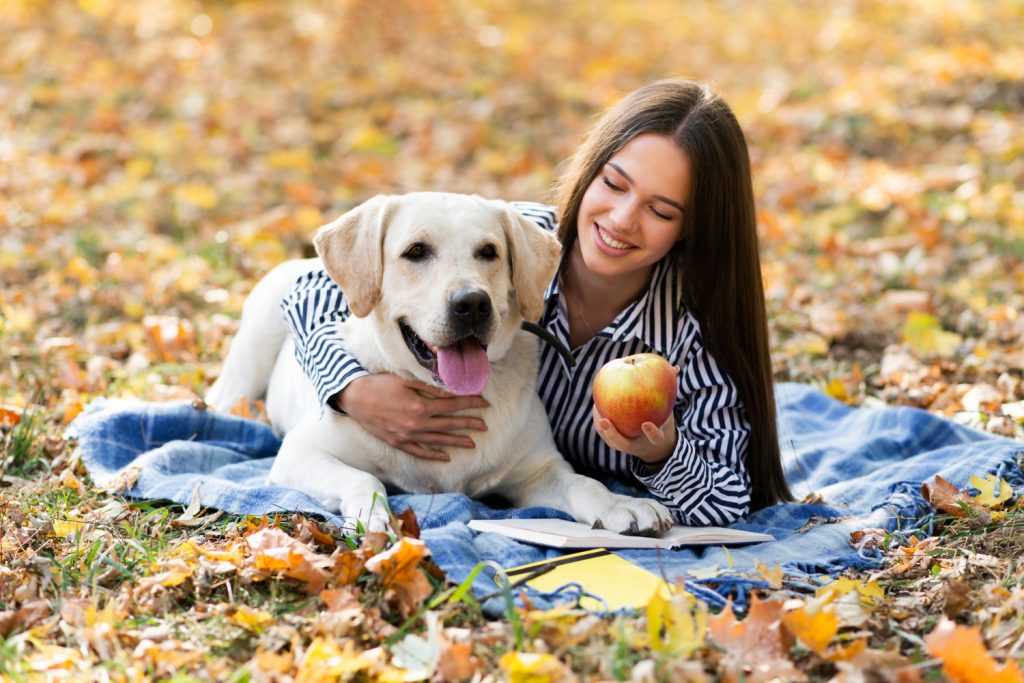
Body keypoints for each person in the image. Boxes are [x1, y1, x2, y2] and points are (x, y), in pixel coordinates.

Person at [281, 79, 793, 526]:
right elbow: (303, 288)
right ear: (591, 171)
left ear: (690, 229)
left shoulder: (689, 329)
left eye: (660, 210)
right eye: (614, 184)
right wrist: (349, 390)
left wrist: (661, 454)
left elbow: (729, 497)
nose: (621, 220)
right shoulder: (524, 229)